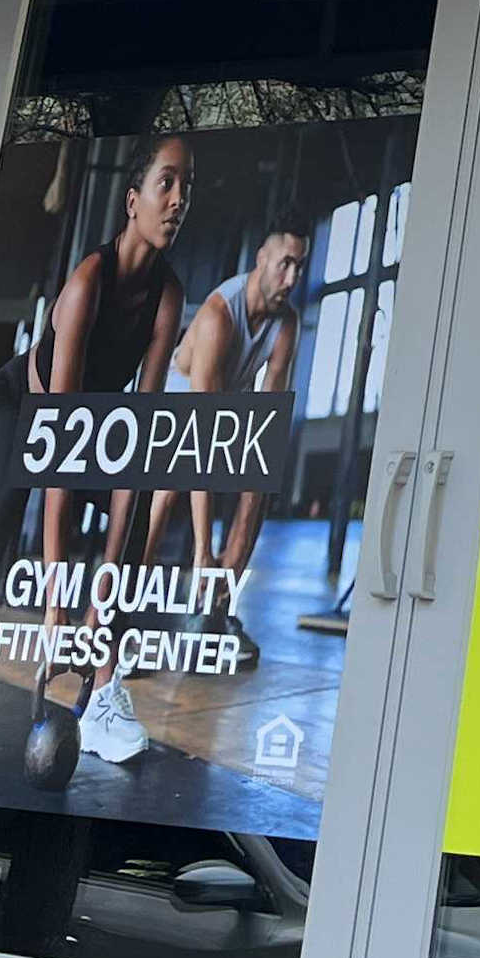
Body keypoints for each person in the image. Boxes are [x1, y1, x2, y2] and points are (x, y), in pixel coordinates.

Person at [0, 133, 191, 792]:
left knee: (142, 502)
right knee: (6, 505)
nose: (178, 200)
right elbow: (53, 456)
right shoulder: (89, 283)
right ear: (133, 199)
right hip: (18, 412)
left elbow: (137, 446)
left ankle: (105, 691)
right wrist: (56, 607)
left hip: (86, 430)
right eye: (166, 183)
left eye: (186, 188)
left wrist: (99, 605)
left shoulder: (168, 295)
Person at [170, 223, 306, 653]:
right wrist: (203, 550)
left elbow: (266, 430)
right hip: (177, 405)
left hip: (226, 408)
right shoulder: (219, 315)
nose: (292, 279)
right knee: (165, 490)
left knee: (257, 481)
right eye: (285, 264)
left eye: (300, 268)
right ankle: (118, 618)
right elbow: (201, 441)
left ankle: (218, 607)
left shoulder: (287, 324)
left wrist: (225, 569)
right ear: (261, 259)